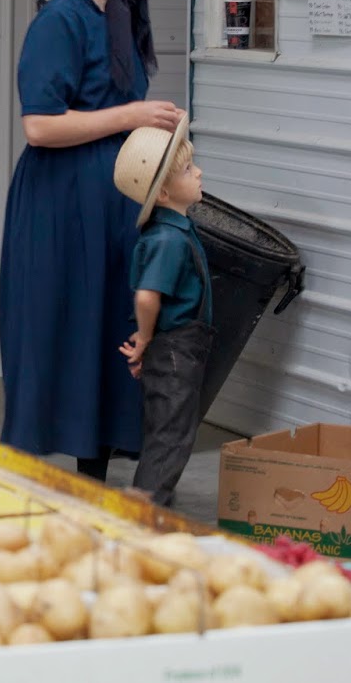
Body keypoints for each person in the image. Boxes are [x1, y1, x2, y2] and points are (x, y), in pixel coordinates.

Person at [0, 0, 185, 482]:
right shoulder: (58, 23)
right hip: (62, 197)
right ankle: (53, 480)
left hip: (112, 193)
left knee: (109, 322)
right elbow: (40, 125)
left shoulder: (119, 13)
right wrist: (133, 116)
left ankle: (93, 473)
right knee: (68, 322)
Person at [114, 117, 213, 508]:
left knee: (170, 425)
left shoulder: (174, 230)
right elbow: (146, 297)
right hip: (176, 347)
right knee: (171, 431)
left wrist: (145, 340)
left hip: (172, 346)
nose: (199, 171)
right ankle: (146, 502)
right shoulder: (169, 240)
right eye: (189, 169)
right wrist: (148, 339)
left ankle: (153, 496)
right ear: (165, 193)